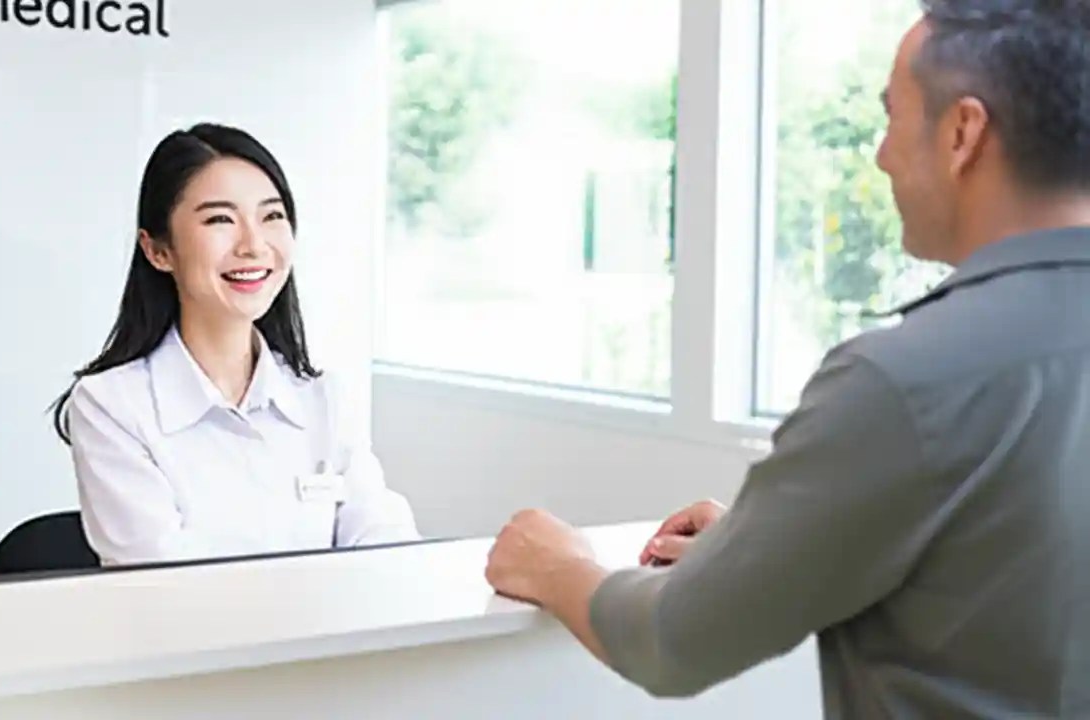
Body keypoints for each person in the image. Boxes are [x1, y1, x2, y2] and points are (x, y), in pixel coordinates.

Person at [484, 1, 1090, 716]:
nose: (882, 154)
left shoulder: (902, 379)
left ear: (962, 132)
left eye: (892, 116)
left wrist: (558, 567)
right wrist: (767, 542)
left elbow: (672, 642)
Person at [52, 123, 418, 566]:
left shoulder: (323, 398)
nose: (254, 245)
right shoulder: (111, 405)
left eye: (272, 216)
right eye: (220, 220)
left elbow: (389, 548)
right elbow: (164, 581)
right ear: (158, 250)